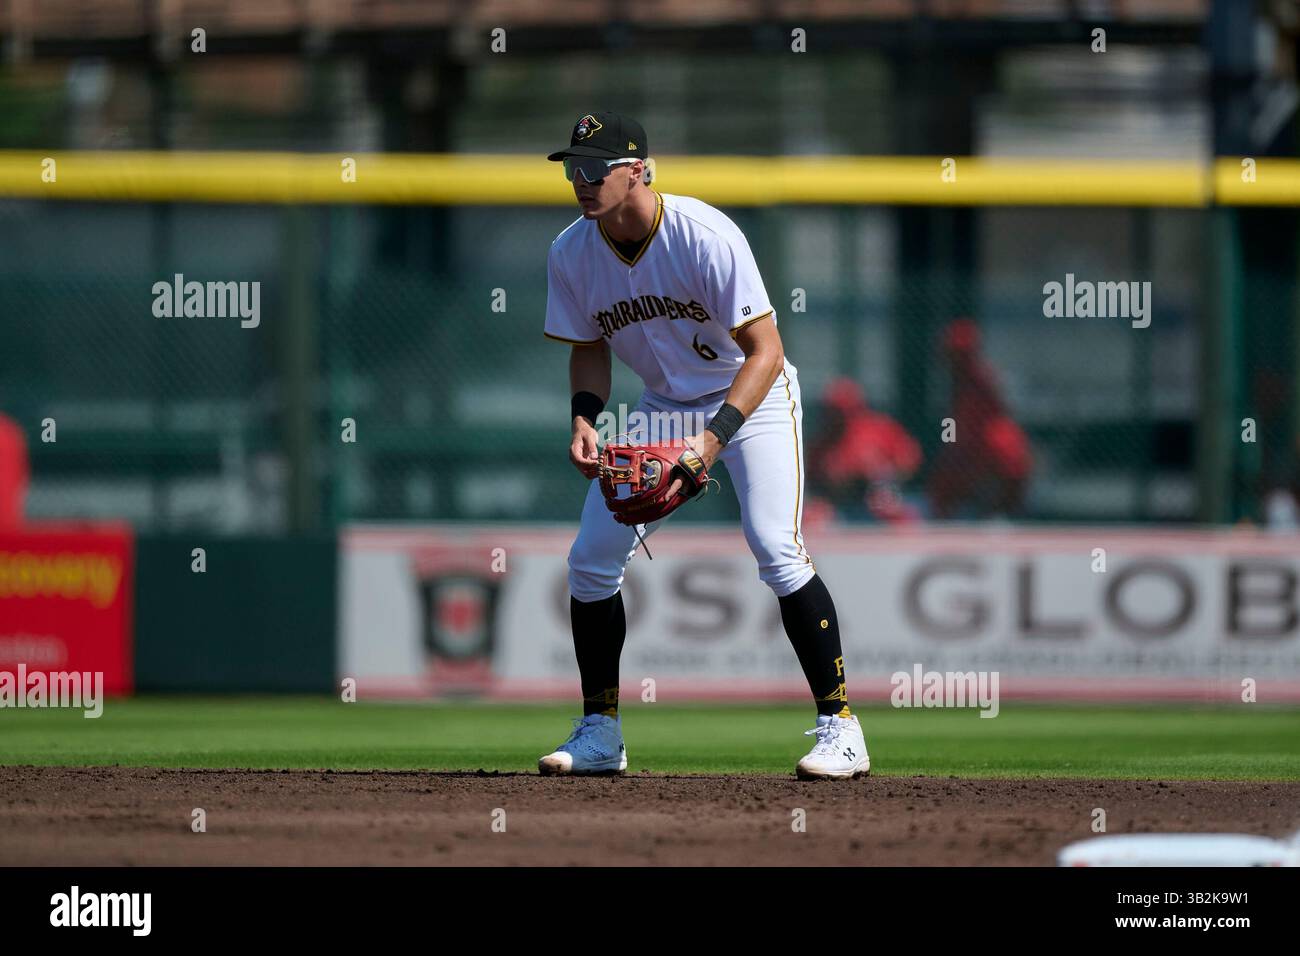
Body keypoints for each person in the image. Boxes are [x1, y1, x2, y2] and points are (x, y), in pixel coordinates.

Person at [539, 112, 868, 779]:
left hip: (752, 399)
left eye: (596, 167)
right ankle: (601, 732)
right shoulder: (570, 251)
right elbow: (589, 348)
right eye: (574, 167)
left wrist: (711, 443)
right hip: (662, 407)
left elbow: (767, 351)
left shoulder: (703, 235)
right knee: (590, 560)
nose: (582, 179)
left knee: (776, 546)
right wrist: (584, 419)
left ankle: (841, 729)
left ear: (640, 170)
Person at [927, 319, 1031, 519]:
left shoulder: (981, 379)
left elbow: (977, 427)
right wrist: (950, 445)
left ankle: (1000, 516)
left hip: (991, 448)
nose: (949, 359)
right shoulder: (954, 381)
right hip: (972, 449)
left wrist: (955, 447)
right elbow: (952, 422)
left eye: (954, 354)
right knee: (943, 483)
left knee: (1008, 469)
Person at [808, 376, 921, 523]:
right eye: (833, 411)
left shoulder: (879, 428)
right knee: (814, 517)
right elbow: (814, 484)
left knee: (898, 513)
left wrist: (883, 469)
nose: (838, 417)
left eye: (842, 411)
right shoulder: (821, 442)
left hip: (879, 496)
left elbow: (910, 460)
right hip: (839, 504)